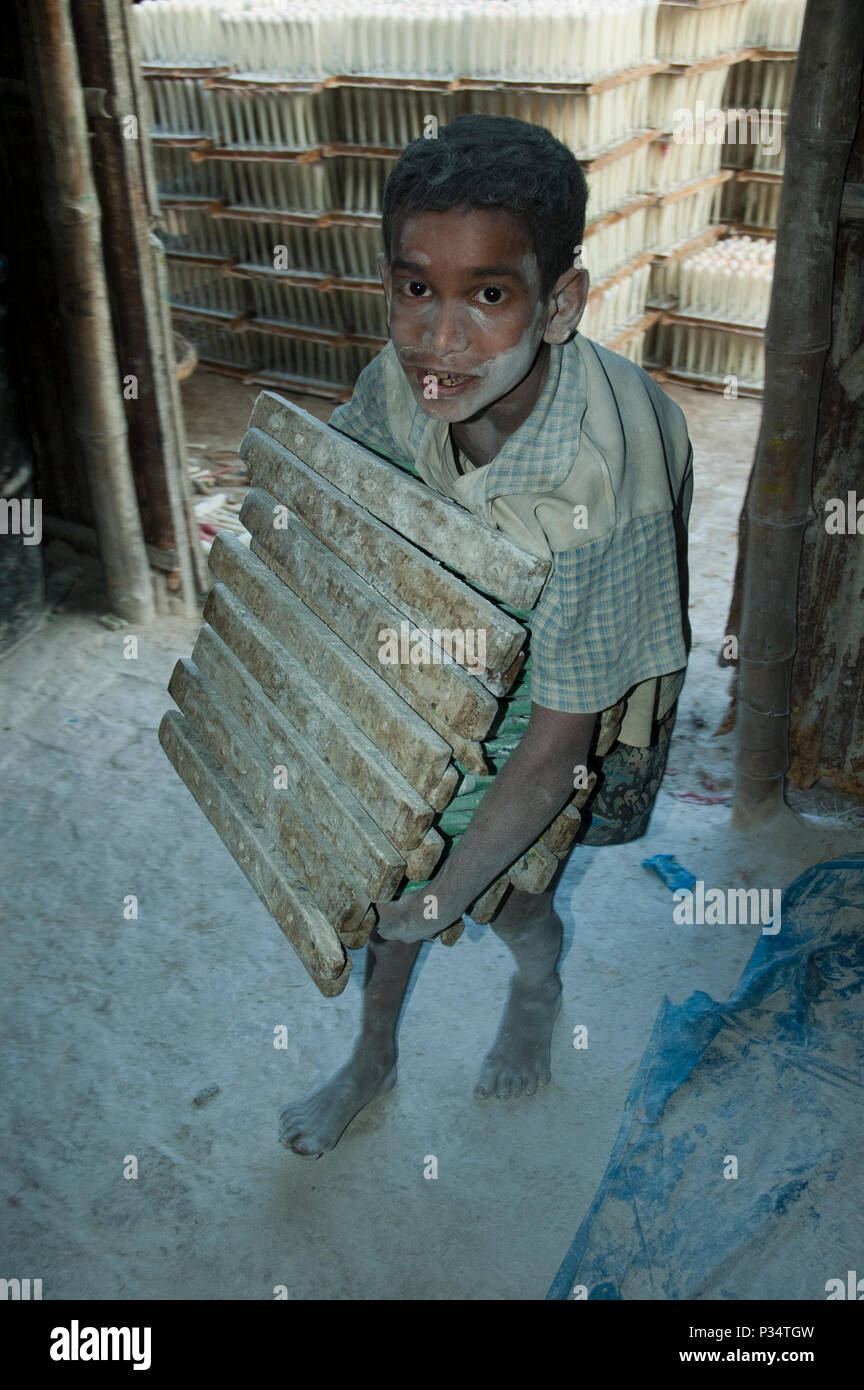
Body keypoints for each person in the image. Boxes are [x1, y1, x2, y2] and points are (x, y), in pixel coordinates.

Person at [280, 114, 693, 1156]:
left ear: (559, 304)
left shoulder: (606, 492)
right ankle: (372, 1059)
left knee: (509, 885)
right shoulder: (404, 376)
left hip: (582, 681)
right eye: (416, 286)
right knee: (393, 853)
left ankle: (538, 978)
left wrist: (441, 897)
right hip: (457, 629)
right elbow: (353, 476)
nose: (439, 336)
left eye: (489, 294)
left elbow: (558, 750)